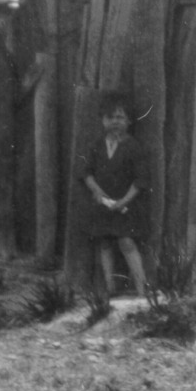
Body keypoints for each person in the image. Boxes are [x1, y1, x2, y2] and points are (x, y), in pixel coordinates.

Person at [81, 93, 150, 301]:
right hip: (103, 205)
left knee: (126, 242)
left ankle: (142, 290)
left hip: (126, 205)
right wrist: (96, 190)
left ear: (129, 121)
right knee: (104, 243)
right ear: (102, 120)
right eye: (110, 117)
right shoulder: (97, 145)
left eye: (120, 117)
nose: (115, 122)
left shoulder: (133, 147)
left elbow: (141, 181)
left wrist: (124, 201)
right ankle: (110, 288)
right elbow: (86, 173)